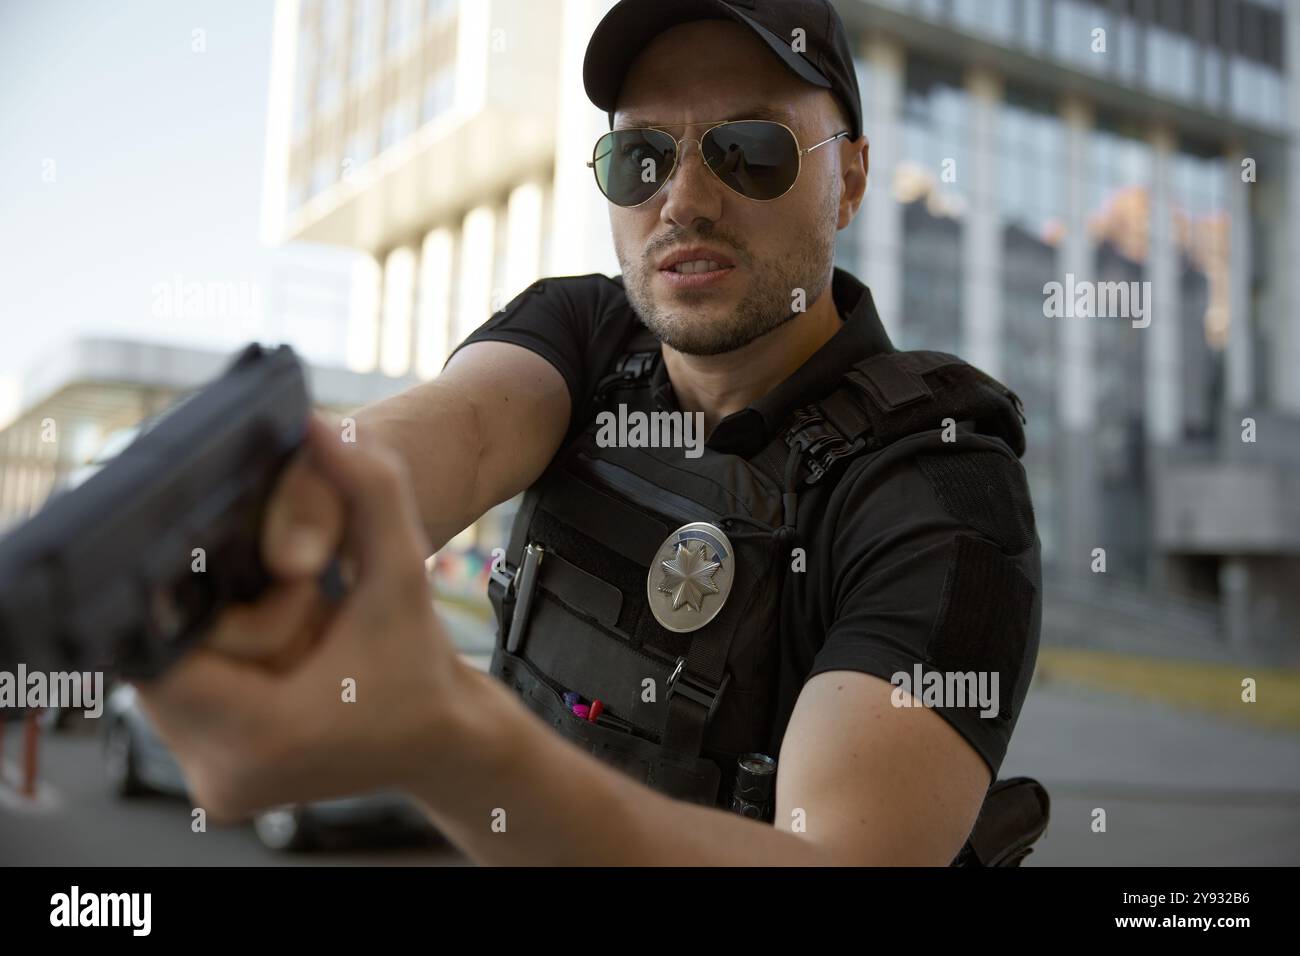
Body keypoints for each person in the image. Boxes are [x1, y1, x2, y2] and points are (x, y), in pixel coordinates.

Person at [137, 0, 1042, 866]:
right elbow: (447, 440)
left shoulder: (945, 491)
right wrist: (248, 533)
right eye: (640, 157)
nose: (685, 200)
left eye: (750, 151)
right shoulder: (586, 334)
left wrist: (442, 738)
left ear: (848, 179)